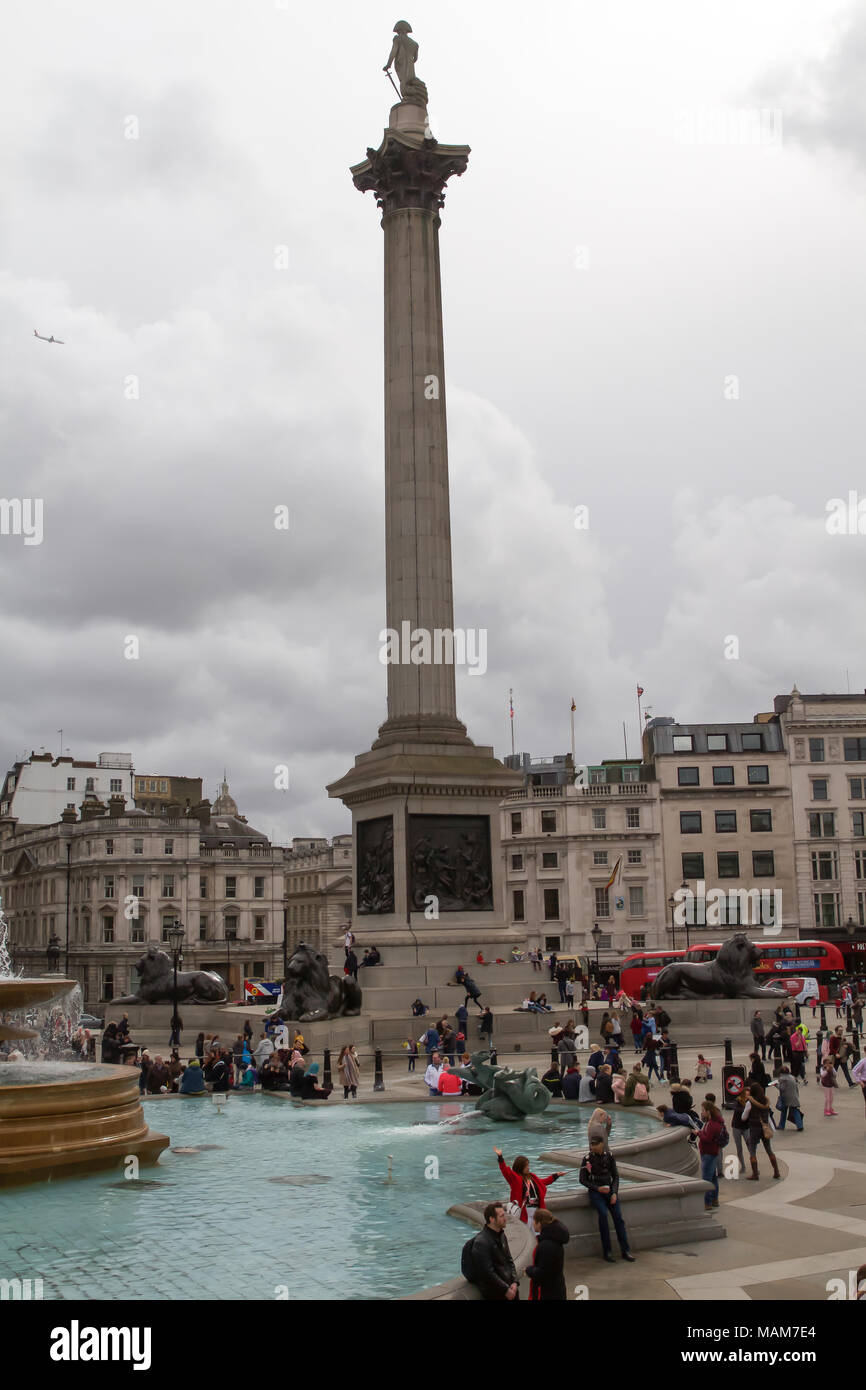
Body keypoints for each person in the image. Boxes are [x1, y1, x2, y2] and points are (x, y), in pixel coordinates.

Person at [579, 1136, 636, 1263]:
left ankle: (625, 1250)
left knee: (618, 1219)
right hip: (596, 1193)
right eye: (591, 1144)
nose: (593, 1147)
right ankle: (607, 1251)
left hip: (609, 1191)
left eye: (595, 1144)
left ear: (602, 1144)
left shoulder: (609, 1156)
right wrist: (597, 1188)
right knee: (603, 1215)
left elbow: (615, 1176)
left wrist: (614, 1193)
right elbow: (582, 1179)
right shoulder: (587, 1159)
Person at [494, 1148, 563, 1224]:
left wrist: (555, 1176)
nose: (528, 1167)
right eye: (526, 1166)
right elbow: (505, 1171)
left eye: (528, 1165)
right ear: (520, 1166)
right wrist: (500, 1157)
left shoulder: (531, 1176)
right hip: (524, 1210)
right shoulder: (515, 1178)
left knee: (537, 1231)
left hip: (537, 1208)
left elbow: (543, 1182)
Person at [471, 1203, 519, 1301]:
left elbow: (510, 1261)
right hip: (498, 1294)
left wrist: (515, 1281)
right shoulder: (481, 1242)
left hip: (510, 1289)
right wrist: (506, 1289)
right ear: (492, 1219)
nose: (505, 1219)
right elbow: (487, 1273)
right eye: (501, 1216)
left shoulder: (502, 1235)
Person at [526, 1208, 569, 1301]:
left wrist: (529, 1270)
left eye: (534, 1220)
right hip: (557, 1289)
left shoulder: (546, 1245)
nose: (532, 1223)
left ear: (539, 1223)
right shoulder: (555, 1238)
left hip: (549, 1293)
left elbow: (543, 1273)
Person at [742, 1083, 780, 1178]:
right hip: (765, 1128)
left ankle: (755, 1174)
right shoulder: (765, 1102)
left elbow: (744, 1117)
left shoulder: (750, 1102)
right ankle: (776, 1171)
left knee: (752, 1151)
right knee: (769, 1150)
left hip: (754, 1128)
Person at [696, 1101, 724, 1210]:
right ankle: (714, 1199)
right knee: (713, 1178)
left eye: (703, 1110)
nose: (701, 1113)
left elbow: (707, 1138)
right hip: (711, 1153)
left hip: (708, 1153)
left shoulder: (712, 1124)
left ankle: (707, 1203)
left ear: (708, 1112)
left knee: (706, 1179)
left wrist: (698, 1133)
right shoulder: (713, 1122)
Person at [771, 1067, 804, 1131]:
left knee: (784, 1112)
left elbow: (782, 1088)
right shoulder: (792, 1077)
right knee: (795, 1111)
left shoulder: (782, 1079)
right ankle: (800, 1126)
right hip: (793, 1096)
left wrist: (776, 1085)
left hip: (786, 1097)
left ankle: (781, 1125)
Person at [730, 1088, 750, 1172]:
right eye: (746, 1095)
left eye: (749, 1095)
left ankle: (754, 1165)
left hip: (746, 1127)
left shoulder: (750, 1102)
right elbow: (737, 1109)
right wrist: (747, 1108)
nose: (747, 1097)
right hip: (736, 1127)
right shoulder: (737, 1101)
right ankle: (743, 1166)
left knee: (750, 1146)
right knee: (739, 1148)